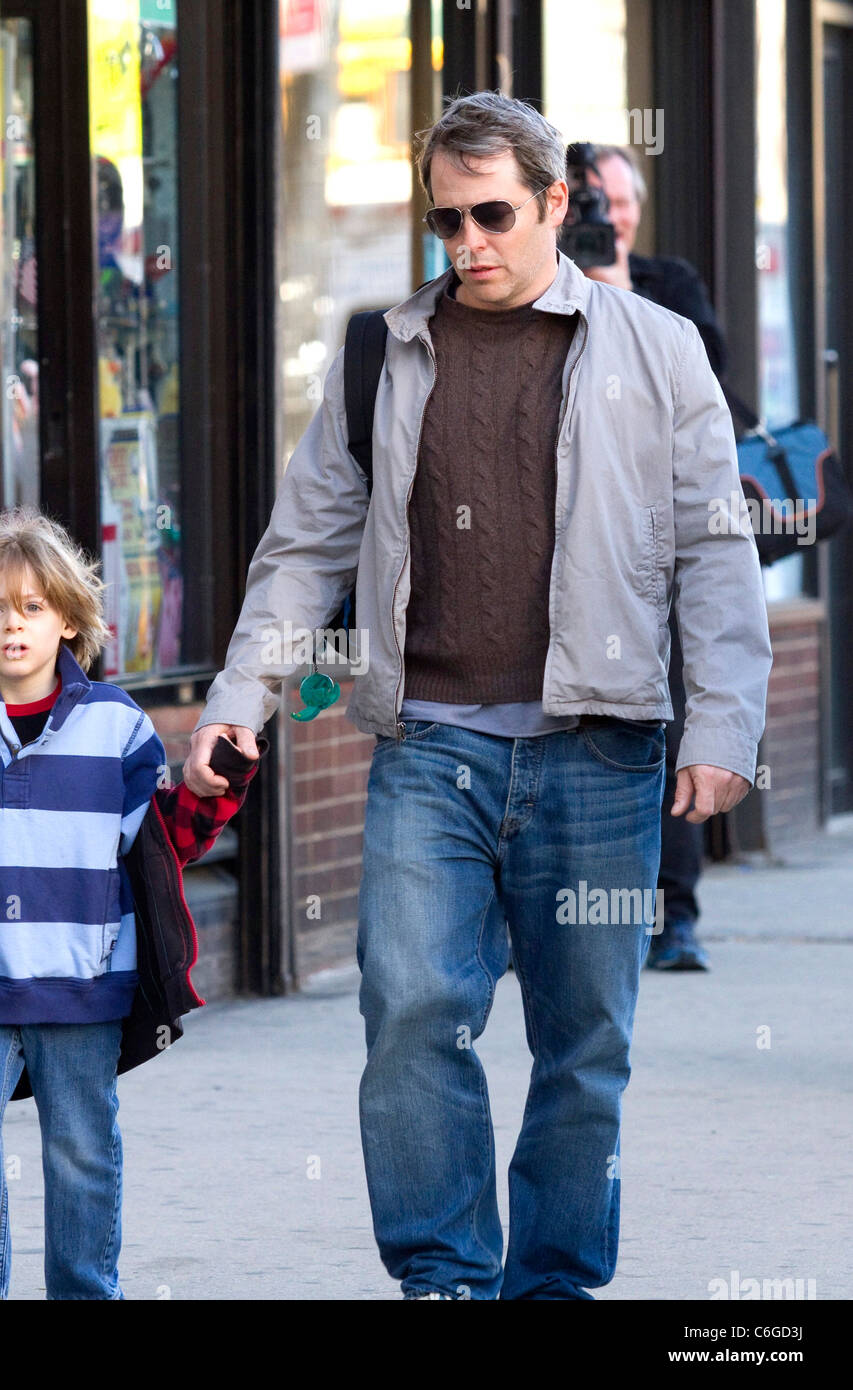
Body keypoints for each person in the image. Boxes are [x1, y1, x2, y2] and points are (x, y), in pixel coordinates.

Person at [183, 90, 772, 1300]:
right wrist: (240, 696)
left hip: (601, 752)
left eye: (493, 214)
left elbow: (717, 546)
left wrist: (725, 723)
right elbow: (304, 551)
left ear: (558, 202)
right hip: (432, 745)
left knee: (586, 1044)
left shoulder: (659, 350)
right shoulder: (381, 351)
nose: (468, 244)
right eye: (445, 220)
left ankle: (553, 1283)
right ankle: (444, 1274)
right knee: (410, 1014)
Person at [0, 506, 260, 1299]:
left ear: (67, 619)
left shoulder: (115, 726)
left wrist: (205, 788)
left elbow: (158, 845)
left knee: (81, 1148)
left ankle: (84, 1289)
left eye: (31, 607)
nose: (12, 627)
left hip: (85, 982)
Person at [582, 142, 733, 970]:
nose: (607, 217)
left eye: (618, 200)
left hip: (653, 549)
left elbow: (712, 382)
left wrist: (615, 288)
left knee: (664, 722)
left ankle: (674, 914)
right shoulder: (535, 284)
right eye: (590, 202)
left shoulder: (666, 284)